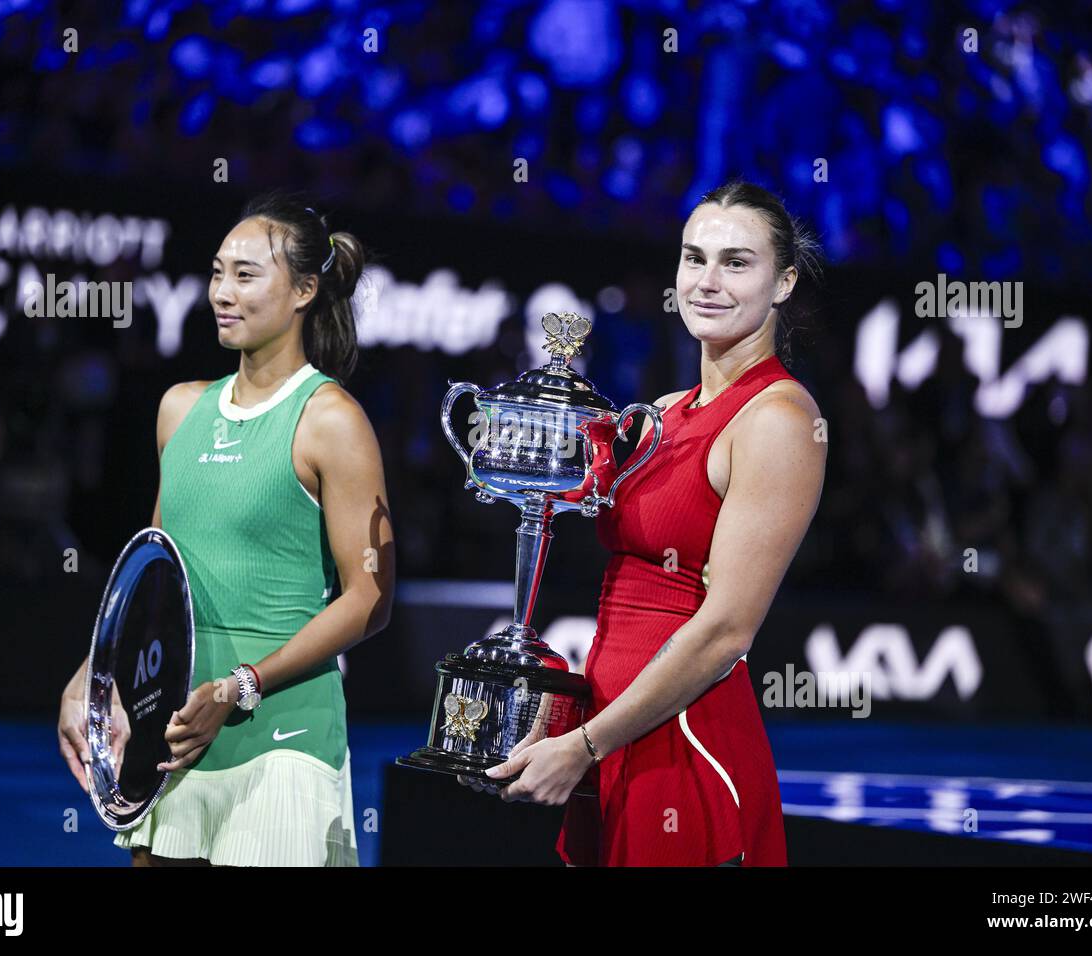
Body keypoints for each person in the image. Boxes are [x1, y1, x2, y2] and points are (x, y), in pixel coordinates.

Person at [468, 180, 826, 866]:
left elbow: (725, 631)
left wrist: (585, 744)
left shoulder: (779, 421)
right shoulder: (662, 410)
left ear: (782, 283)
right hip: (614, 729)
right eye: (695, 259)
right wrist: (565, 714)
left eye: (736, 263)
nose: (708, 282)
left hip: (685, 746)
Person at [57, 190, 395, 866]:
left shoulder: (331, 419)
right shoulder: (179, 409)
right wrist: (91, 676)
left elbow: (370, 598)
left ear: (303, 290)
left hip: (283, 735)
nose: (221, 292)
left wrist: (241, 686)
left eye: (245, 275)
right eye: (216, 273)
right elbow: (152, 583)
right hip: (174, 733)